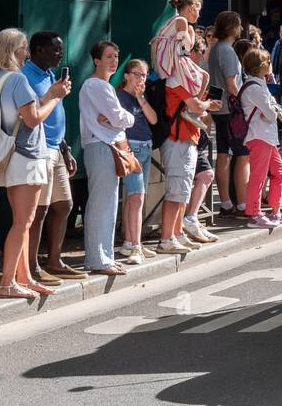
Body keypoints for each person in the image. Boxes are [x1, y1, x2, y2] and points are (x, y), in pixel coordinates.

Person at [0, 28, 68, 299]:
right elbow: (33, 120)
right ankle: (9, 281)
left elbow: (25, 115)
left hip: (13, 155)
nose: (26, 52)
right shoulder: (19, 80)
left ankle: (24, 277)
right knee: (23, 222)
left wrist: (49, 96)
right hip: (27, 154)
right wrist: (56, 97)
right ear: (14, 50)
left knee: (22, 220)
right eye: (23, 47)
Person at [21, 31, 81, 285]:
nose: (60, 54)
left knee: (64, 204)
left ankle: (54, 260)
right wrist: (55, 95)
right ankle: (31, 266)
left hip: (56, 147)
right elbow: (33, 113)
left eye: (61, 49)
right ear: (37, 50)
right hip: (38, 149)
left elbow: (55, 113)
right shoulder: (25, 76)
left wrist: (66, 149)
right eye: (54, 49)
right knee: (40, 209)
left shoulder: (49, 75)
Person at [76, 41, 134, 275]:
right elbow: (120, 117)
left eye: (116, 56)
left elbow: (119, 117)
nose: (113, 60)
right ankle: (98, 259)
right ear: (96, 60)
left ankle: (104, 257)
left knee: (107, 203)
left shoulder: (103, 86)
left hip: (107, 145)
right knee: (102, 203)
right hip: (102, 146)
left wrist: (119, 118)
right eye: (108, 56)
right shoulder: (95, 85)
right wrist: (120, 118)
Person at [156, 52, 221, 254]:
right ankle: (167, 238)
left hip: (187, 139)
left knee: (182, 192)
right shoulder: (176, 78)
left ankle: (177, 234)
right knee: (176, 191)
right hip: (177, 141)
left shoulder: (185, 78)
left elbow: (202, 80)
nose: (194, 62)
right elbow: (196, 106)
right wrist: (208, 104)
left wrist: (201, 77)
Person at [206, 11, 250, 215]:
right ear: (232, 27)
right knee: (243, 155)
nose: (241, 29)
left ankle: (226, 202)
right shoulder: (228, 51)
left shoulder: (215, 49)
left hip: (218, 108)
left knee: (223, 155)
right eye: (238, 25)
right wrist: (247, 99)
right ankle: (243, 203)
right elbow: (232, 84)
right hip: (231, 110)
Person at [239, 48, 282, 228]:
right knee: (258, 176)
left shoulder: (259, 84)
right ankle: (255, 214)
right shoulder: (255, 88)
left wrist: (272, 110)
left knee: (280, 171)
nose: (270, 64)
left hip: (266, 136)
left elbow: (271, 109)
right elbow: (272, 113)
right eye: (268, 61)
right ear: (261, 66)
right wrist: (273, 111)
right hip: (259, 136)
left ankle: (275, 209)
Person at [116, 59, 157, 262]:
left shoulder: (140, 97)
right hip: (132, 147)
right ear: (126, 76)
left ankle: (132, 242)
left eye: (144, 75)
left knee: (137, 197)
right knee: (136, 197)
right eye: (137, 74)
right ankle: (134, 246)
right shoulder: (120, 96)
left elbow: (153, 119)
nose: (141, 79)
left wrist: (141, 98)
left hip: (146, 145)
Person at [151, 0, 205, 99]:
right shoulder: (182, 21)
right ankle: (192, 107)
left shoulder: (174, 20)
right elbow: (186, 48)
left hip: (167, 63)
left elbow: (182, 50)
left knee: (204, 76)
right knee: (203, 77)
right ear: (191, 8)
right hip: (170, 66)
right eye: (198, 11)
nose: (199, 15)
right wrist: (192, 34)